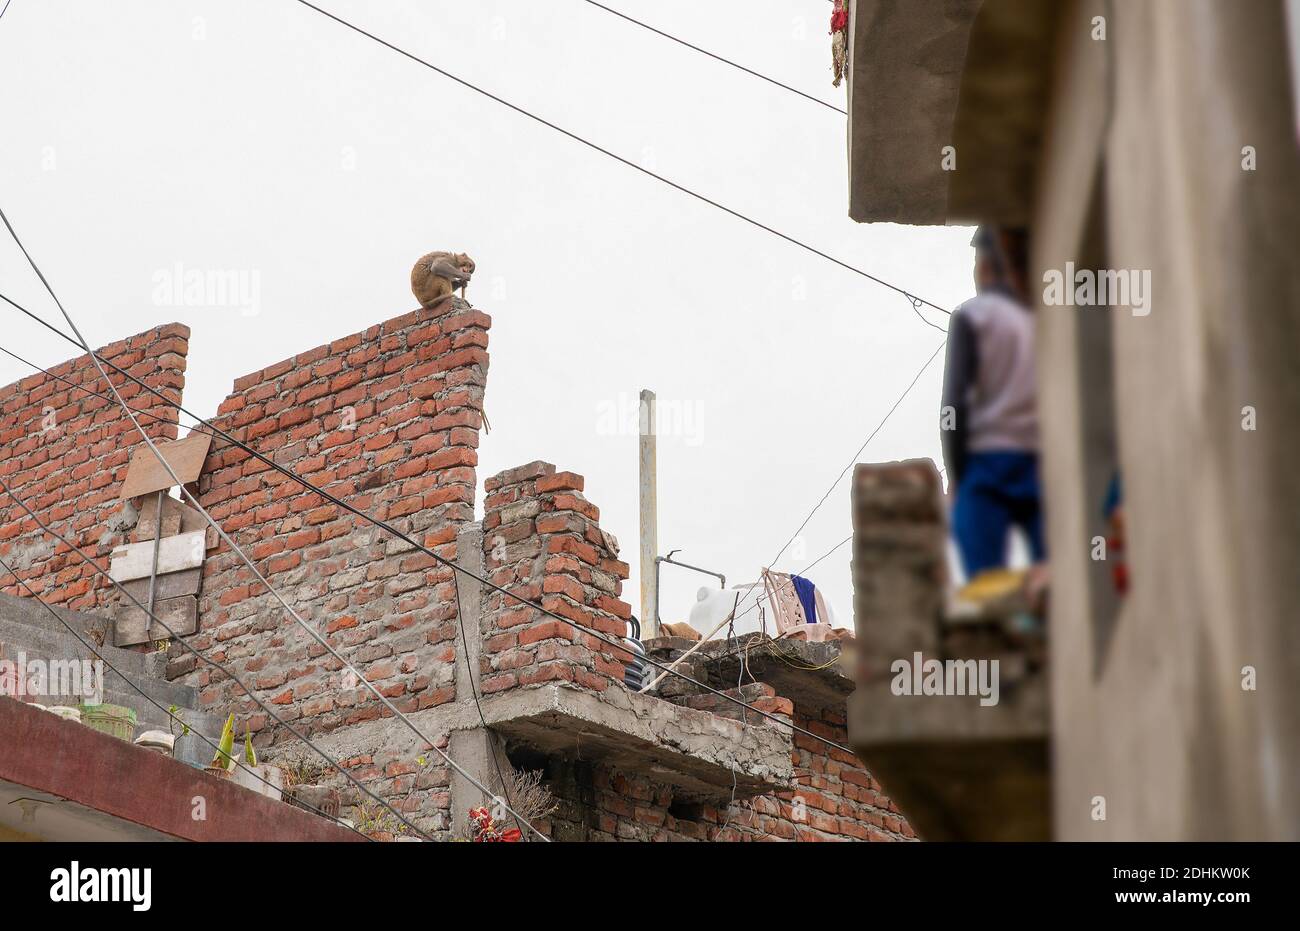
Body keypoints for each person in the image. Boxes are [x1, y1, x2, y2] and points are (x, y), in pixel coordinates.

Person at [941, 226, 1044, 578]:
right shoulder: (1040, 319)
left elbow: (953, 406)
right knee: (1053, 574)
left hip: (989, 461)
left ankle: (1000, 621)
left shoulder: (973, 315)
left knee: (987, 581)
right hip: (1041, 462)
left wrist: (957, 475)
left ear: (986, 266)